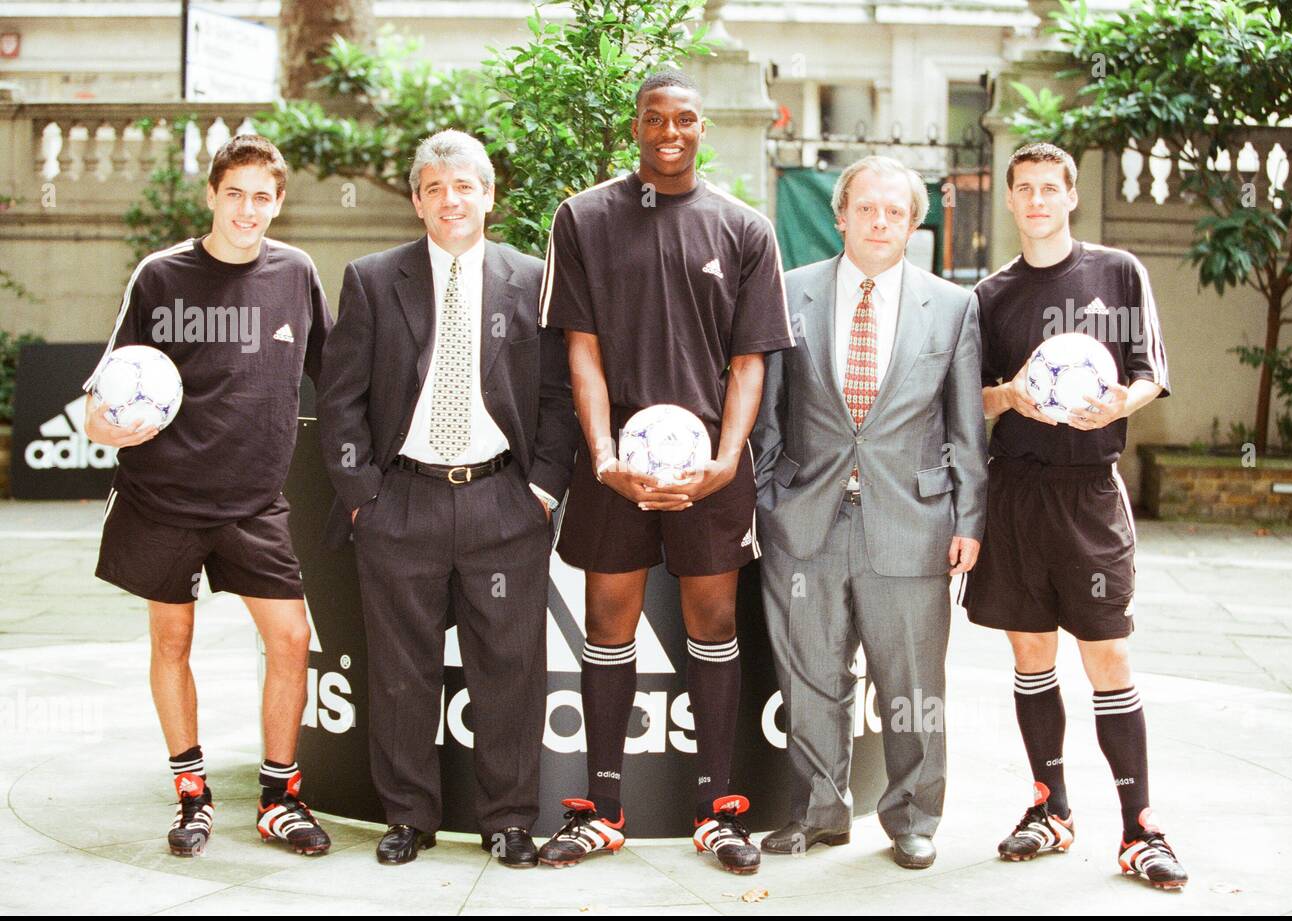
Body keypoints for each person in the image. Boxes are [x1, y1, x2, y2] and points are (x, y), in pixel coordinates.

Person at [535, 69, 793, 874]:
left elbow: (750, 363)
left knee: (712, 624)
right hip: (614, 472)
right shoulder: (582, 218)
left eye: (684, 119)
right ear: (635, 126)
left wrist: (725, 462)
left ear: (703, 127)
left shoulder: (744, 229)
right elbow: (583, 349)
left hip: (710, 472)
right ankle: (602, 809)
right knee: (608, 619)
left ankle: (716, 810)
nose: (669, 132)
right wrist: (605, 458)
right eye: (655, 118)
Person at [316, 130, 579, 868]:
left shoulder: (532, 280)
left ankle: (508, 820)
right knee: (401, 672)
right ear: (417, 200)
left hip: (504, 501)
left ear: (489, 196)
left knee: (511, 671)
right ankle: (407, 816)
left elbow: (559, 398)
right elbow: (341, 400)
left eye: (465, 186)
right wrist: (364, 495)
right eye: (435, 188)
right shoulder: (373, 279)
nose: (451, 200)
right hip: (402, 502)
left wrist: (542, 490)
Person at [84, 134, 333, 858]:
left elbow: (338, 374)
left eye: (263, 196)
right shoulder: (161, 276)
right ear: (212, 195)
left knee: (291, 639)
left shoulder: (296, 272)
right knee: (174, 639)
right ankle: (191, 794)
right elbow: (108, 387)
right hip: (164, 494)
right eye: (235, 193)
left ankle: (279, 797)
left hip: (254, 499)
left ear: (278, 203)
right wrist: (103, 424)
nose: (248, 209)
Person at [751, 155, 987, 869]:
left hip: (911, 524)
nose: (880, 221)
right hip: (805, 520)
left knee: (913, 683)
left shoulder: (951, 306)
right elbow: (766, 414)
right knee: (812, 677)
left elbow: (964, 424)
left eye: (895, 211)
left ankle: (914, 816)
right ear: (840, 214)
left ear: (914, 224)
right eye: (866, 208)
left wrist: (968, 521)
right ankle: (820, 812)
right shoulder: (788, 294)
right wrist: (767, 502)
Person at [962, 142, 1185, 889]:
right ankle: (1049, 808)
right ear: (1010, 198)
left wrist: (1121, 401)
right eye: (1023, 188)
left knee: (1108, 655)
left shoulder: (1118, 272)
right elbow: (971, 400)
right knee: (1031, 656)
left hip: (1090, 492)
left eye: (1049, 189)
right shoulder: (989, 297)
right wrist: (1012, 396)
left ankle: (1139, 829)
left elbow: (1152, 374)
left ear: (1070, 196)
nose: (1036, 200)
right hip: (1016, 492)